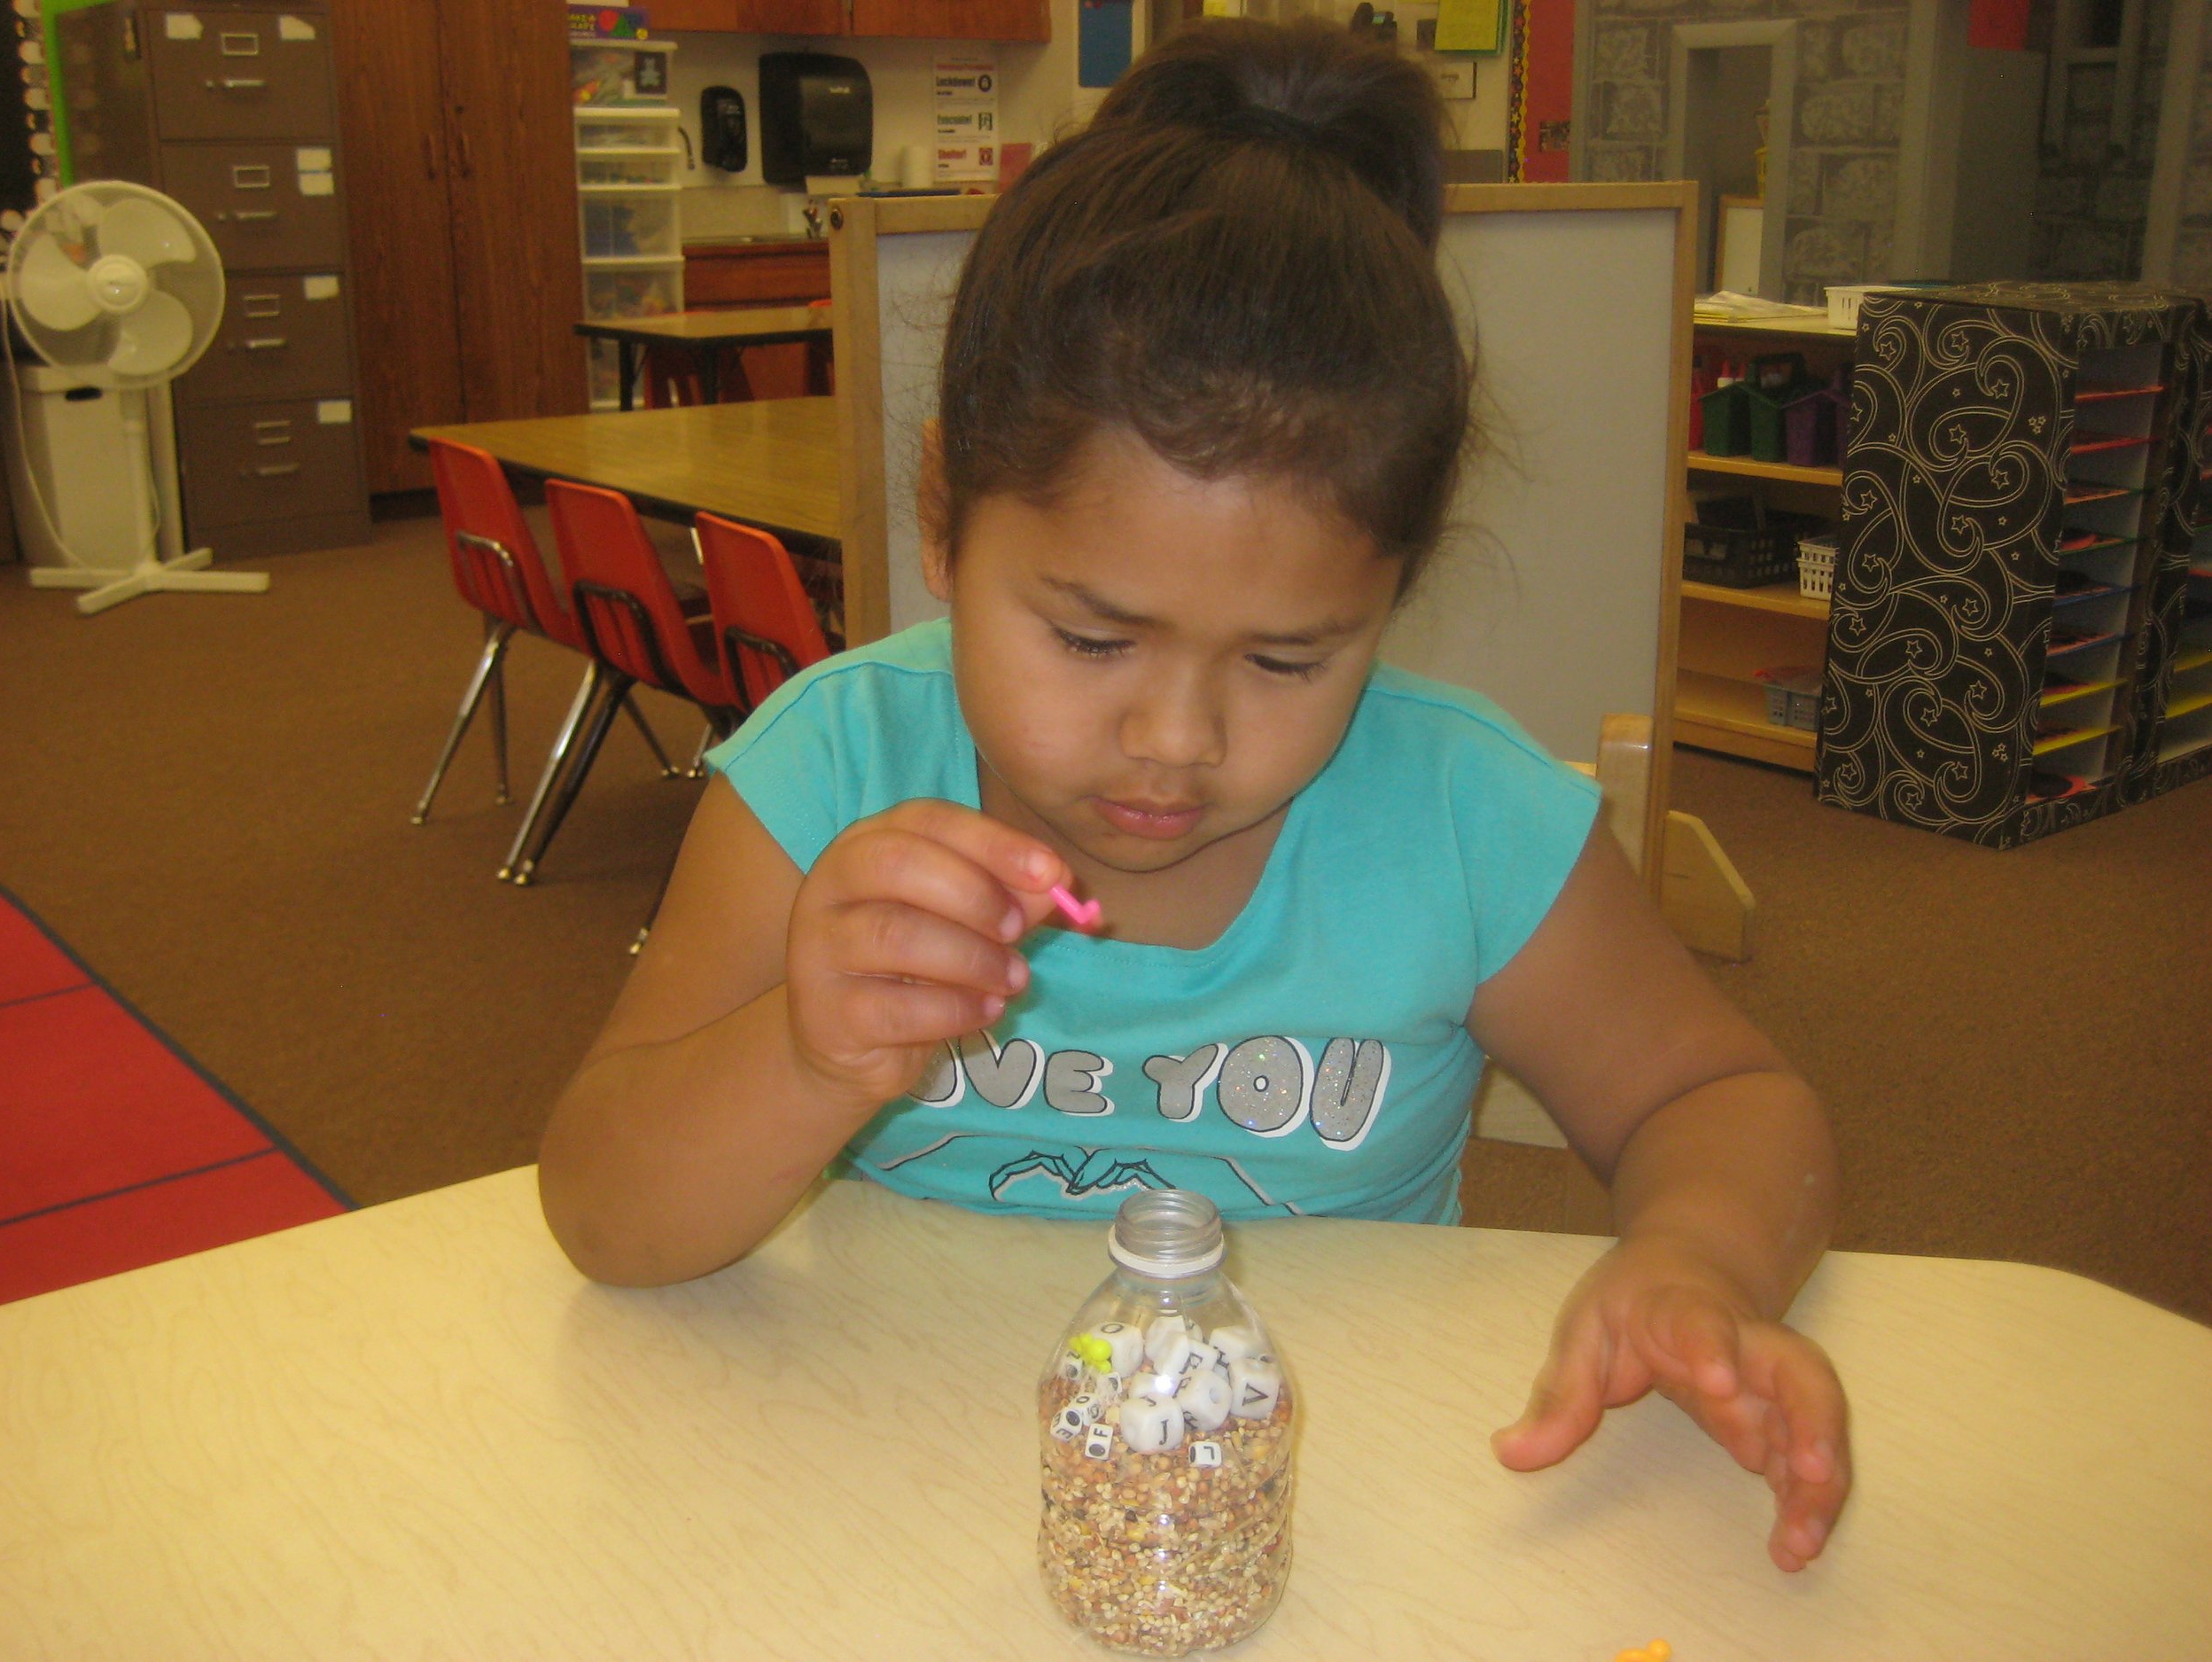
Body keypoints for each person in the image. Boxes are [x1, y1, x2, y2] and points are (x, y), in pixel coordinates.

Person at [538, 17, 1850, 1573]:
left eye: (1292, 659)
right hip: (867, 1501)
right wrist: (806, 1050)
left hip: (1314, 1520)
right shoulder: (827, 775)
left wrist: (1695, 1260)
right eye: (1092, 637)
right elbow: (608, 1217)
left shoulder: (1465, 817)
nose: (1175, 739)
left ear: (1392, 594)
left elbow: (1725, 1100)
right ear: (946, 522)